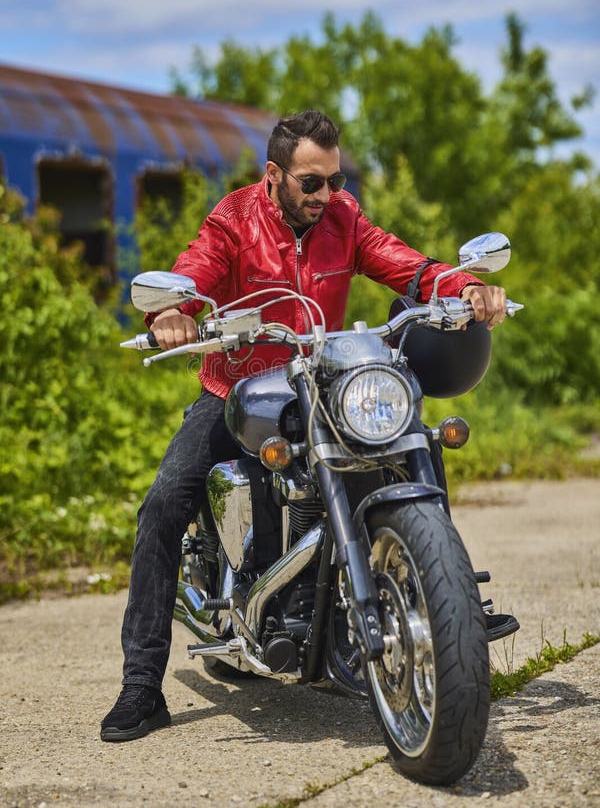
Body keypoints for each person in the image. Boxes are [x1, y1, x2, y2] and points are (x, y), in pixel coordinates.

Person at [101, 109, 508, 742]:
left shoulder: (344, 220)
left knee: (410, 442)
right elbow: (197, 266)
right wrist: (176, 312)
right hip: (238, 390)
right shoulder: (234, 218)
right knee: (161, 506)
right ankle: (141, 685)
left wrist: (465, 286)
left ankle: (448, 607)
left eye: (337, 181)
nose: (328, 196)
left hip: (319, 384)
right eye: (312, 183)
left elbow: (408, 265)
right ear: (274, 175)